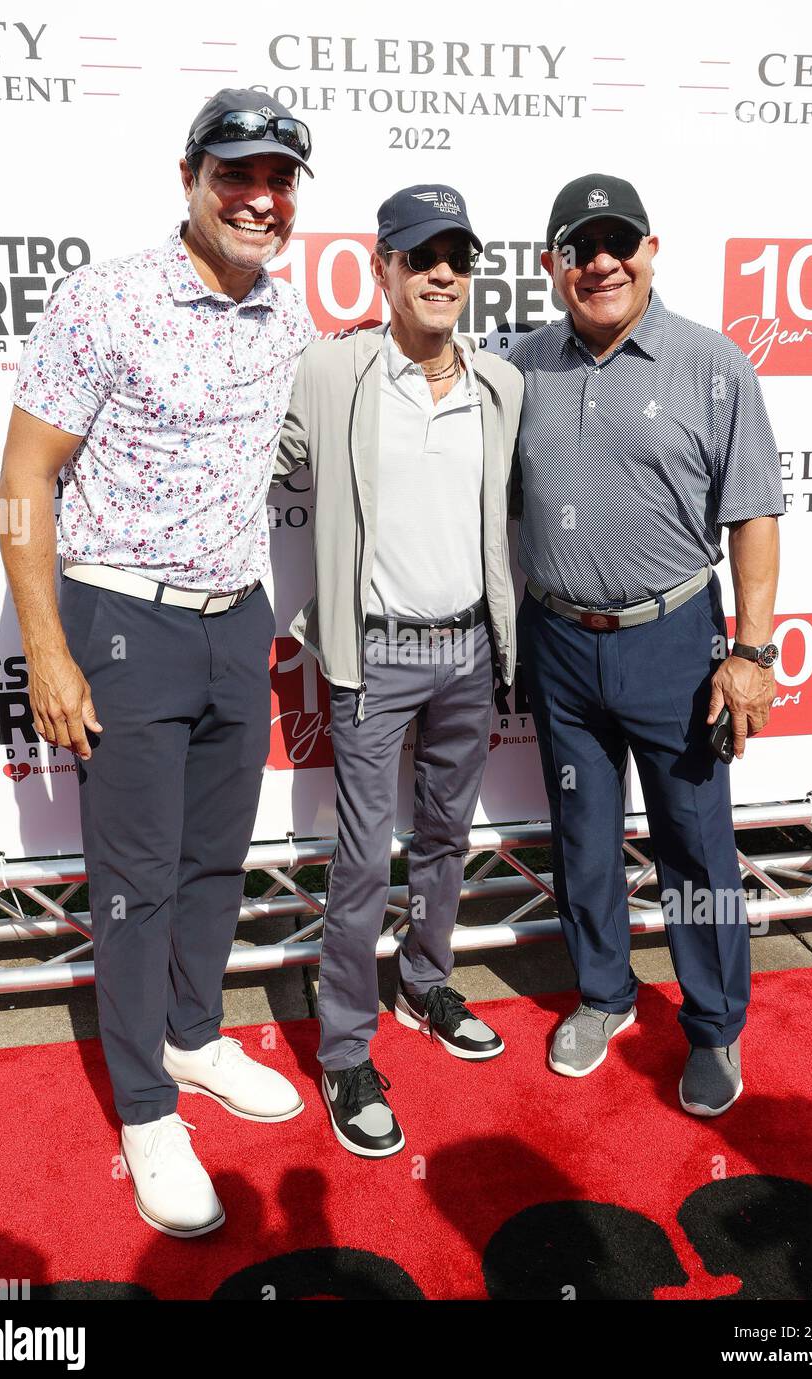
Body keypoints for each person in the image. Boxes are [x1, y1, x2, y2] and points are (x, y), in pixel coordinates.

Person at [0, 89, 316, 1236]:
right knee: (133, 882)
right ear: (189, 175)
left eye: (278, 179)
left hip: (239, 620)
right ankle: (142, 1103)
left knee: (216, 862)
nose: (259, 196)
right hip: (122, 623)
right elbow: (25, 478)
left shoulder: (285, 319)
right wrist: (47, 646)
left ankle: (190, 1038)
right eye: (237, 173)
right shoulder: (105, 299)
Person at [509, 174, 784, 1118]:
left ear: (652, 250)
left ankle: (712, 1025)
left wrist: (753, 651)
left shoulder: (713, 365)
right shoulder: (521, 369)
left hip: (675, 646)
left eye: (617, 243)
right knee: (582, 835)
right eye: (579, 249)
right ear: (553, 266)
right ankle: (603, 996)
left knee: (696, 849)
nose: (601, 264)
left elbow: (752, 514)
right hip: (559, 643)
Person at [276, 185, 523, 1158]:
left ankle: (425, 984)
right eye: (422, 257)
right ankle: (344, 1048)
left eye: (457, 257)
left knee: (448, 839)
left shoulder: (499, 385)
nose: (442, 275)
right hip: (374, 654)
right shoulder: (333, 373)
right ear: (382, 267)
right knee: (362, 862)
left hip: (468, 650)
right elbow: (250, 459)